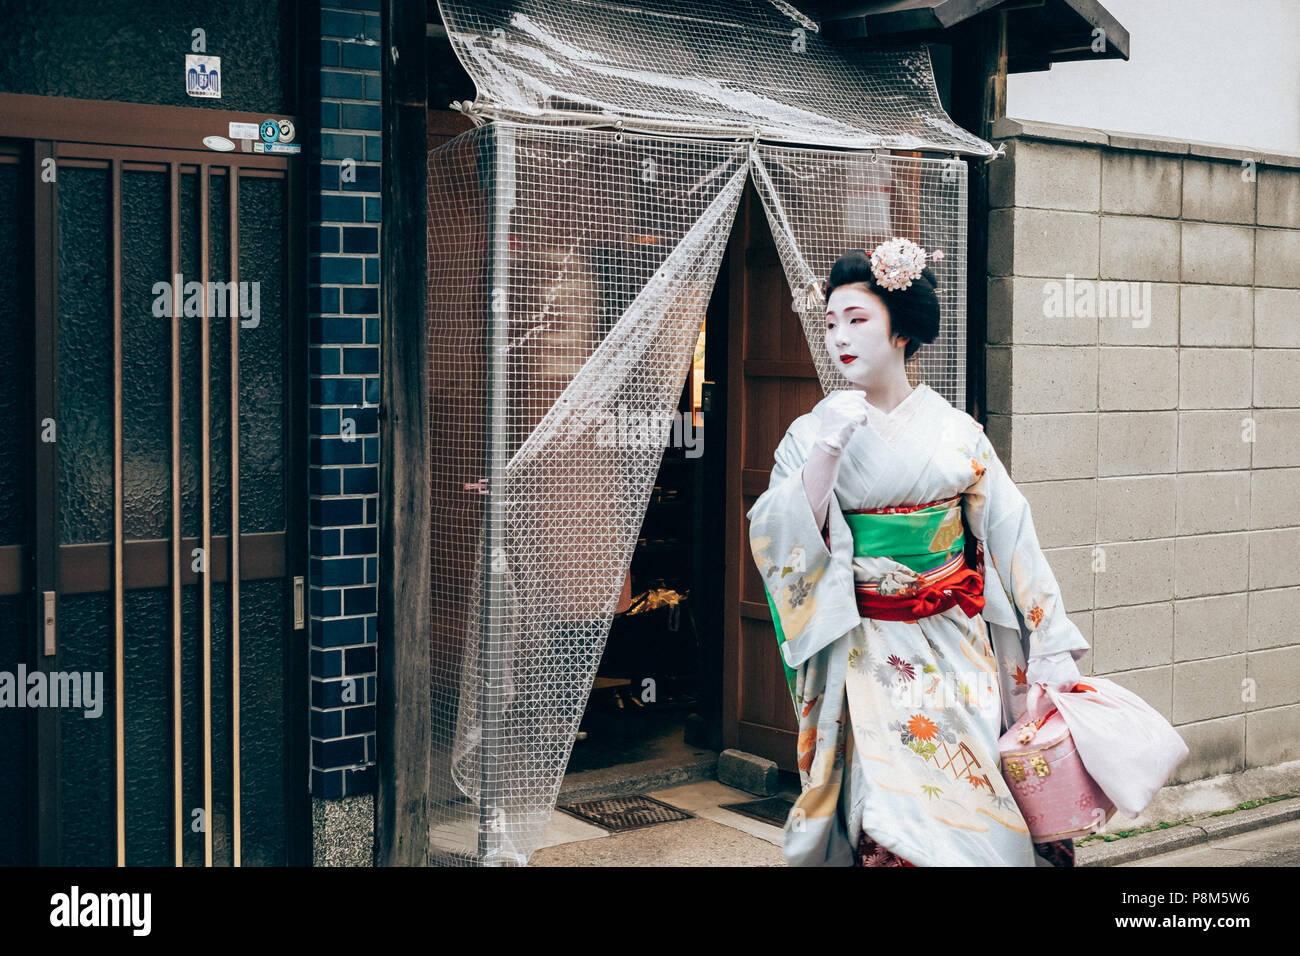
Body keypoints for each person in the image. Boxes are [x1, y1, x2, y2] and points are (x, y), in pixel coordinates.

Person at [746, 239, 1090, 867]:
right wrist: (826, 451)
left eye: (858, 320)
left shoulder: (957, 432)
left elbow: (1013, 533)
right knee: (884, 802)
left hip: (953, 641)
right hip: (864, 648)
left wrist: (1051, 639)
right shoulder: (810, 432)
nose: (840, 337)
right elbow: (782, 537)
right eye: (830, 324)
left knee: (965, 788)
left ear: (901, 330)